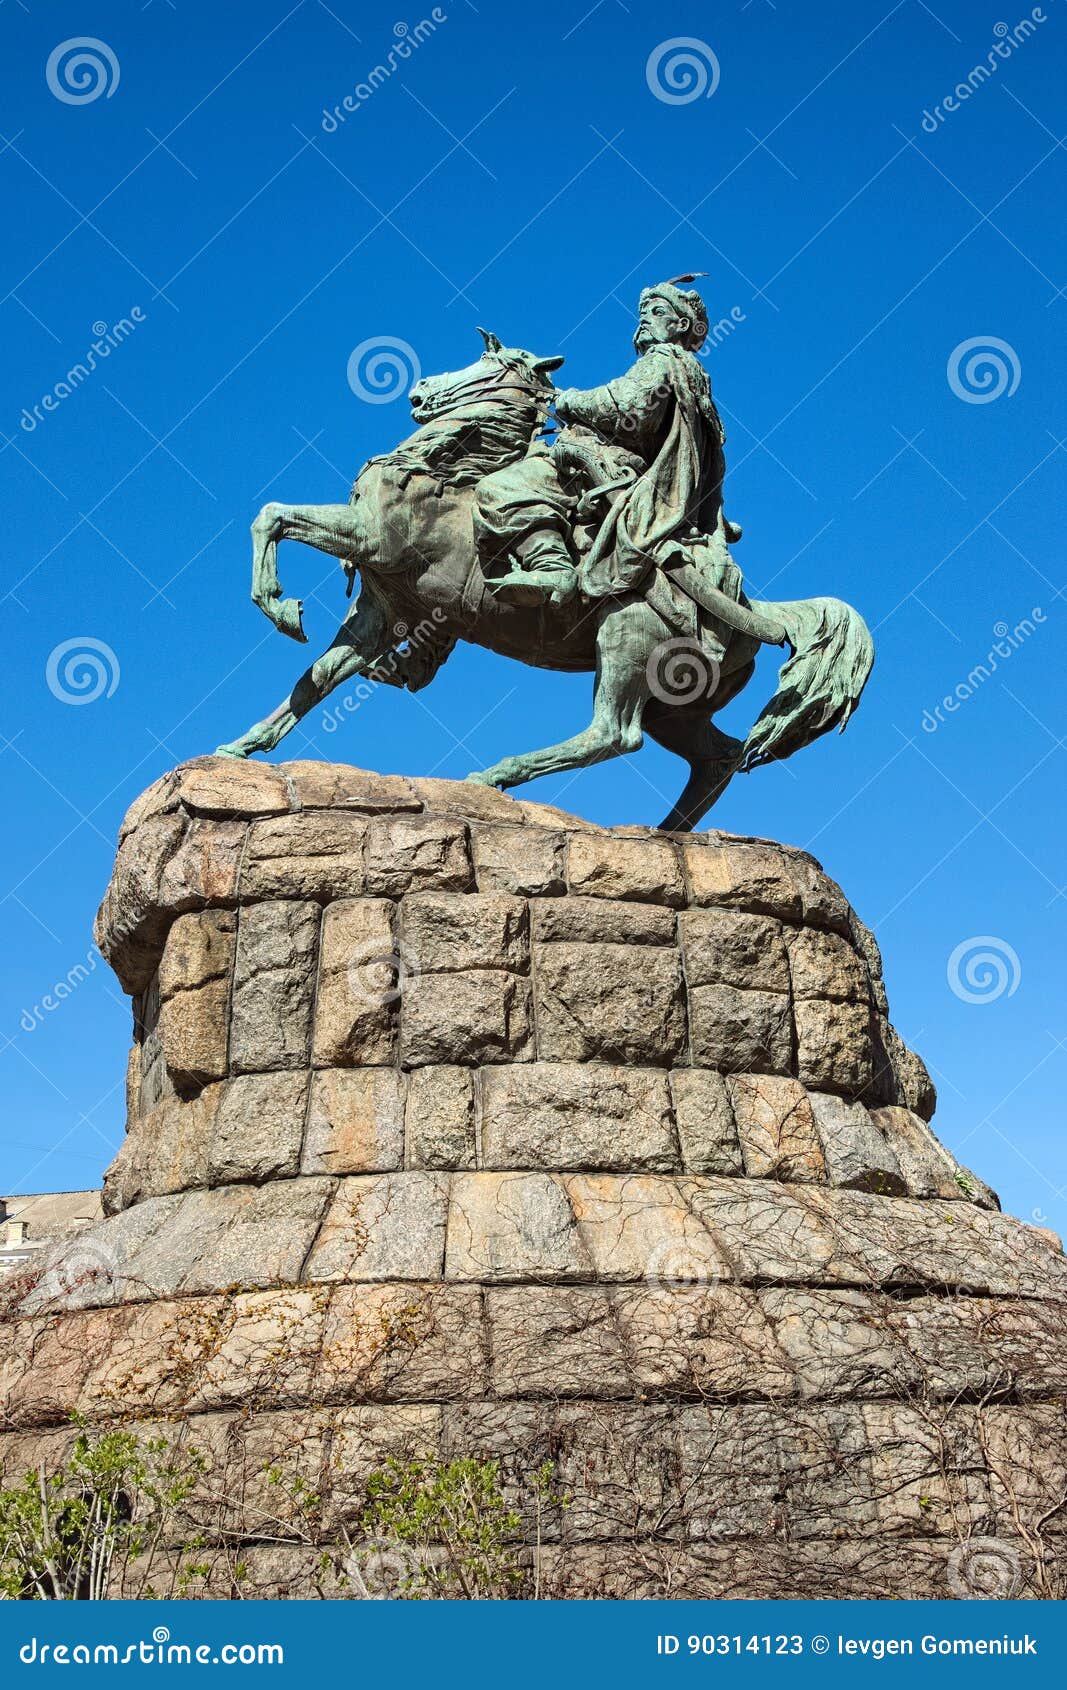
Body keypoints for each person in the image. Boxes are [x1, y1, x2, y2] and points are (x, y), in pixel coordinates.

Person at [473, 277, 734, 606]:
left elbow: (631, 407)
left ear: (681, 324)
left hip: (611, 471)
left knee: (499, 489)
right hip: (623, 472)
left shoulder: (664, 359)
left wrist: (570, 401)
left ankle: (552, 568)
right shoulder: (687, 370)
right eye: (641, 313)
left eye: (655, 312)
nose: (644, 319)